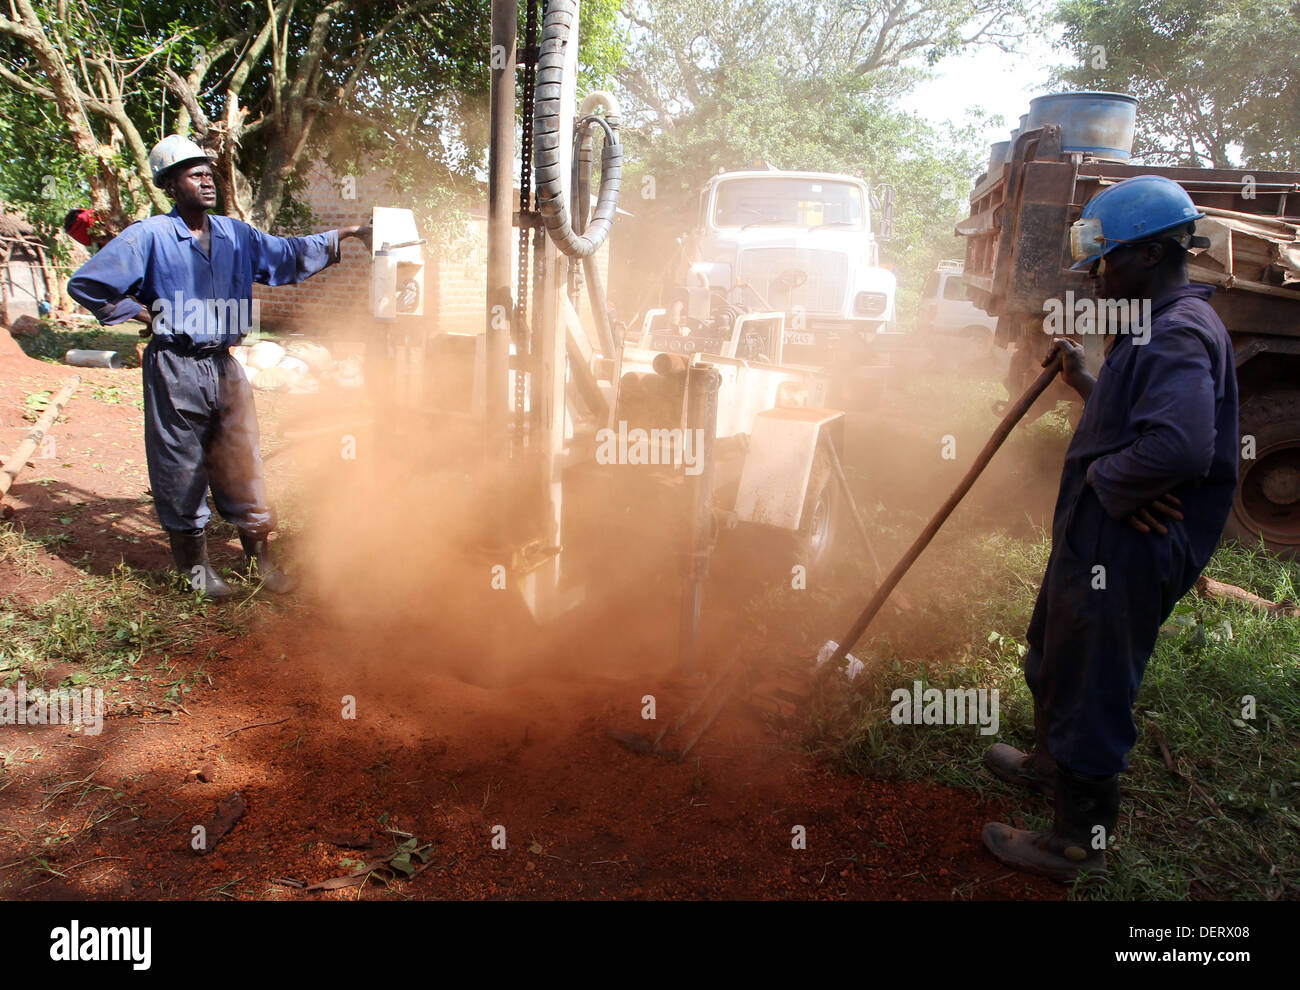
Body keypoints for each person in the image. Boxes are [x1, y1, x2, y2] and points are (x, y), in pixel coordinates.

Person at [981, 175, 1238, 881]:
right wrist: (1084, 379)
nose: (1096, 274)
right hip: (1100, 534)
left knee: (1093, 683)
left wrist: (1110, 481)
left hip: (1126, 544)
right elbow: (1139, 421)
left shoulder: (1179, 330)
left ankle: (1075, 845)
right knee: (1053, 648)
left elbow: (1181, 447)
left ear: (1153, 255)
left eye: (1109, 258)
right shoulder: (1154, 322)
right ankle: (1047, 762)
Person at [66, 135, 371, 600]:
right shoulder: (148, 236)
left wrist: (346, 232)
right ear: (170, 184)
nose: (207, 178)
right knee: (180, 465)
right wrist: (148, 315)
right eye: (194, 173)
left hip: (225, 368)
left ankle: (259, 560)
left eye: (208, 171)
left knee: (242, 459)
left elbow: (286, 254)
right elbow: (88, 284)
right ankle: (197, 572)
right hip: (175, 369)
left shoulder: (235, 234)